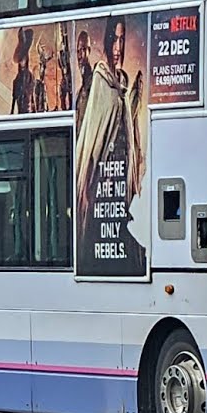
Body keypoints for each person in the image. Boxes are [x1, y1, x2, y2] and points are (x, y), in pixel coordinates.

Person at [75, 16, 144, 274]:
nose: (118, 48)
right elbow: (93, 139)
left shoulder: (123, 84)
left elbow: (128, 130)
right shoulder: (101, 82)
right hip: (103, 187)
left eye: (122, 39)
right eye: (114, 39)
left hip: (122, 186)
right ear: (106, 41)